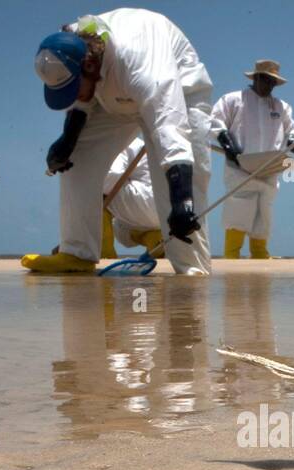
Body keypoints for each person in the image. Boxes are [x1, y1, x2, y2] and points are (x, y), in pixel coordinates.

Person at [22, 9, 212, 276]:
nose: (72, 95)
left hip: (180, 92)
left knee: (180, 186)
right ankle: (76, 253)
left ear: (89, 65)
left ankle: (192, 269)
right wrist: (66, 141)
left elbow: (171, 127)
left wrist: (182, 201)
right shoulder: (75, 49)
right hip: (109, 94)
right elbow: (82, 100)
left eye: (72, 88)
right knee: (78, 156)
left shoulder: (142, 65)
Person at [210, 59, 294, 259]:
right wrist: (228, 144)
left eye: (273, 82)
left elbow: (291, 131)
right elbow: (215, 122)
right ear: (255, 77)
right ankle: (231, 256)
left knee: (264, 214)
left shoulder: (282, 107)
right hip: (241, 165)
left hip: (269, 168)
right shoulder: (233, 99)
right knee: (238, 209)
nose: (269, 85)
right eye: (265, 79)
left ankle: (260, 256)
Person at [101, 136, 163, 257]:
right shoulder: (141, 144)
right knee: (121, 229)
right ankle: (153, 239)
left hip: (143, 200)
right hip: (164, 210)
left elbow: (113, 175)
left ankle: (102, 253)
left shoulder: (120, 140)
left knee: (91, 189)